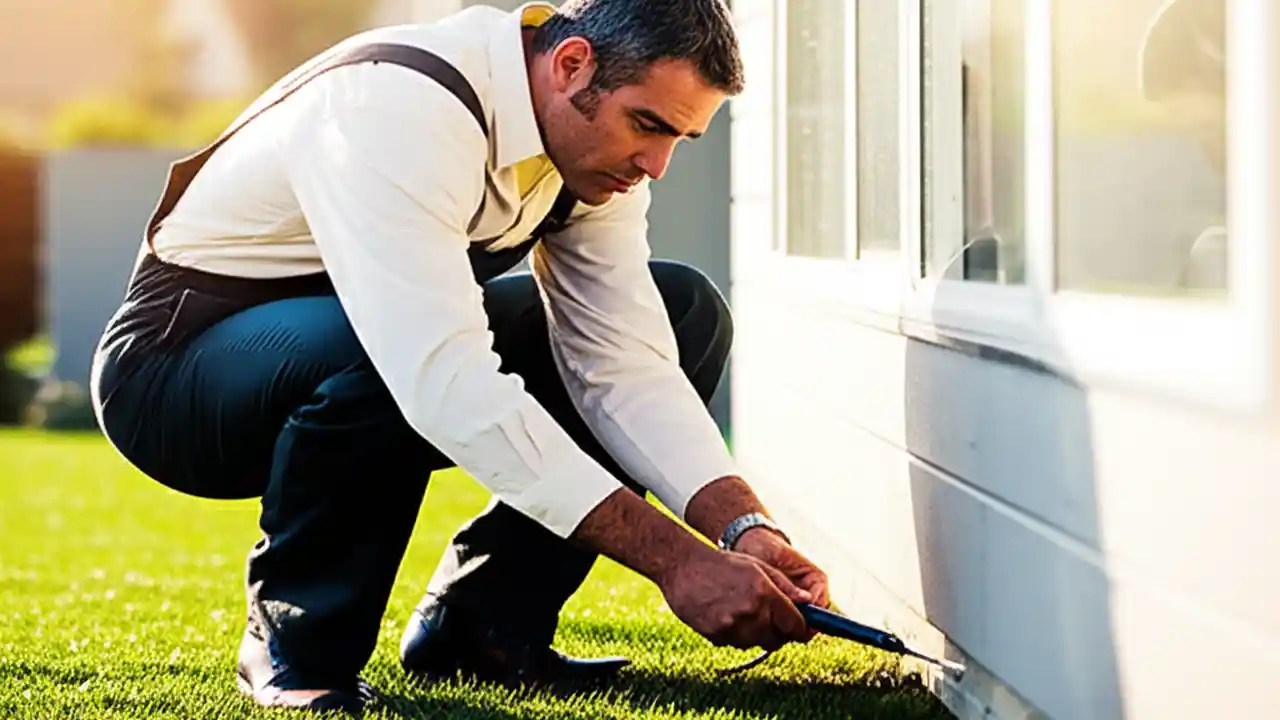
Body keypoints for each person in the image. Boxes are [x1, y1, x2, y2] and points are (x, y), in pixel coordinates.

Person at [90, 0, 831, 713]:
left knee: (683, 313)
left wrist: (744, 531)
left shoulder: (591, 156)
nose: (658, 164)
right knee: (390, 350)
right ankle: (297, 650)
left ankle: (482, 629)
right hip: (175, 372)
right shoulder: (400, 106)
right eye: (648, 125)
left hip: (369, 346)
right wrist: (679, 564)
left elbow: (620, 361)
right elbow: (443, 378)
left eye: (680, 138)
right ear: (572, 65)